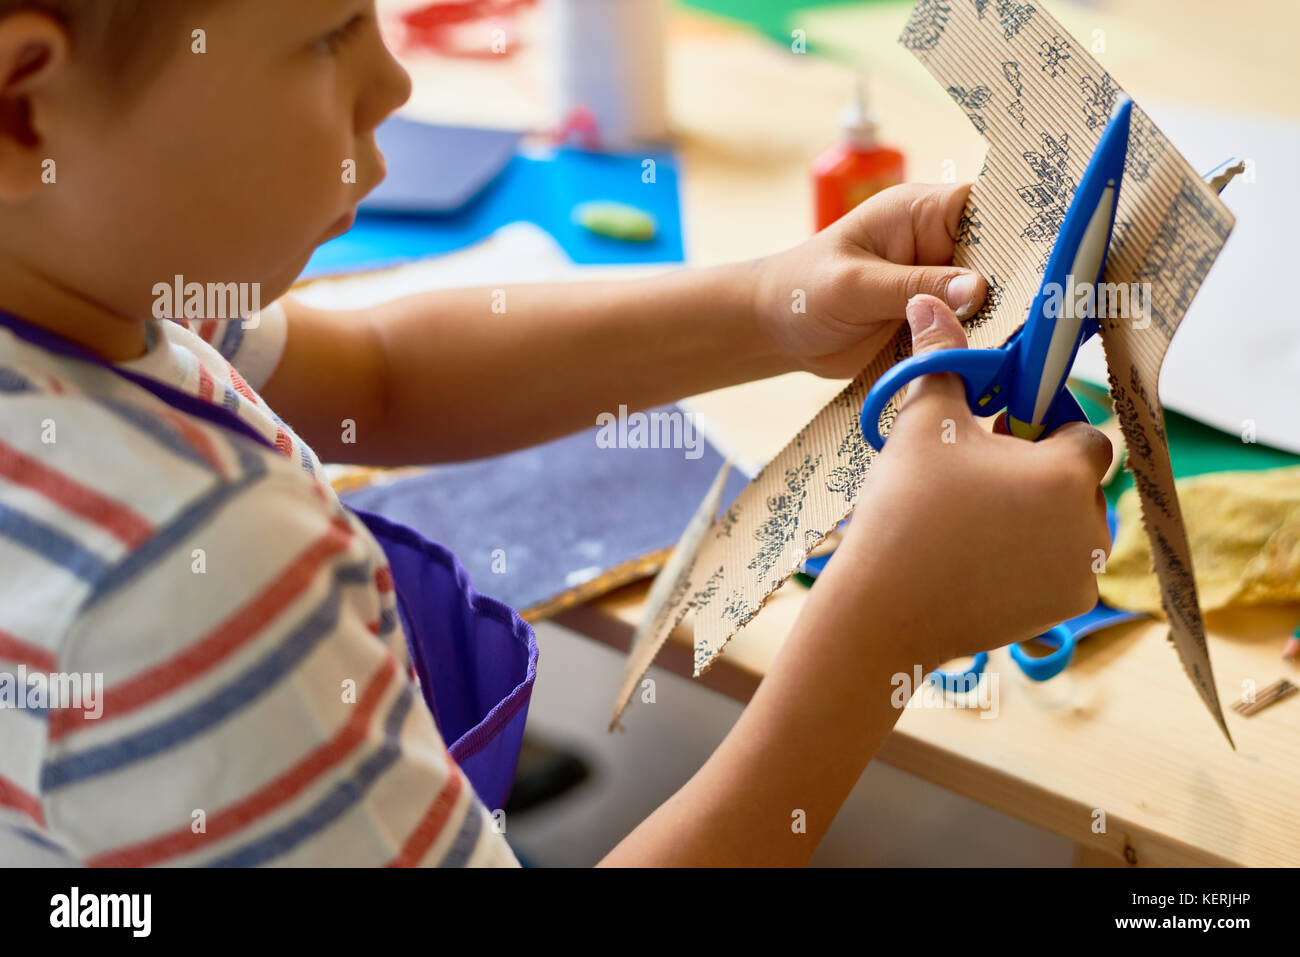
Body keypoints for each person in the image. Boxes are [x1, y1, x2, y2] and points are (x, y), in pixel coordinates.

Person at [0, 0, 1112, 867]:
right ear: (22, 106)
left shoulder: (88, 281)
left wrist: (773, 302)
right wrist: (882, 636)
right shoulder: (181, 578)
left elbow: (375, 379)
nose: (392, 80)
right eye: (329, 34)